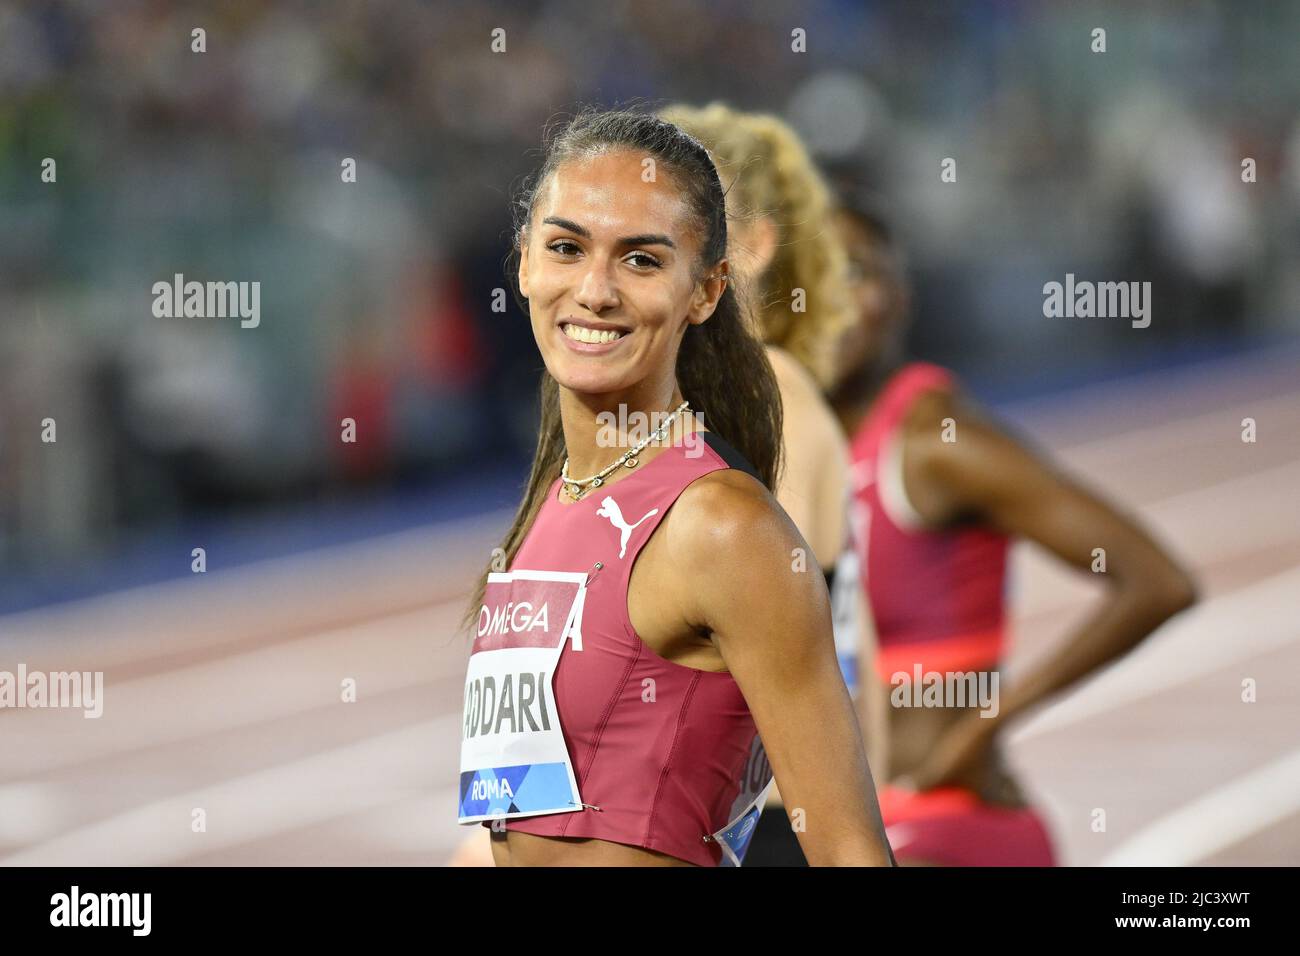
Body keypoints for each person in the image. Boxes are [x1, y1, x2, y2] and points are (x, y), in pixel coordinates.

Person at [455, 109, 894, 867]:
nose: (593, 291)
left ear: (706, 289)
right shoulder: (553, 501)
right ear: (525, 262)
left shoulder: (722, 527)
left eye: (641, 261)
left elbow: (850, 848)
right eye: (566, 248)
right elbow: (524, 824)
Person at [827, 194, 1200, 865]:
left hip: (940, 822)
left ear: (899, 296)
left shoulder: (936, 443)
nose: (828, 299)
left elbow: (1158, 582)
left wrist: (981, 731)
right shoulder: (789, 447)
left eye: (856, 271)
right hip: (843, 823)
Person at [657, 103, 873, 866]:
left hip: (763, 826)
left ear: (748, 248)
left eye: (667, 238)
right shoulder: (776, 393)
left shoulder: (766, 399)